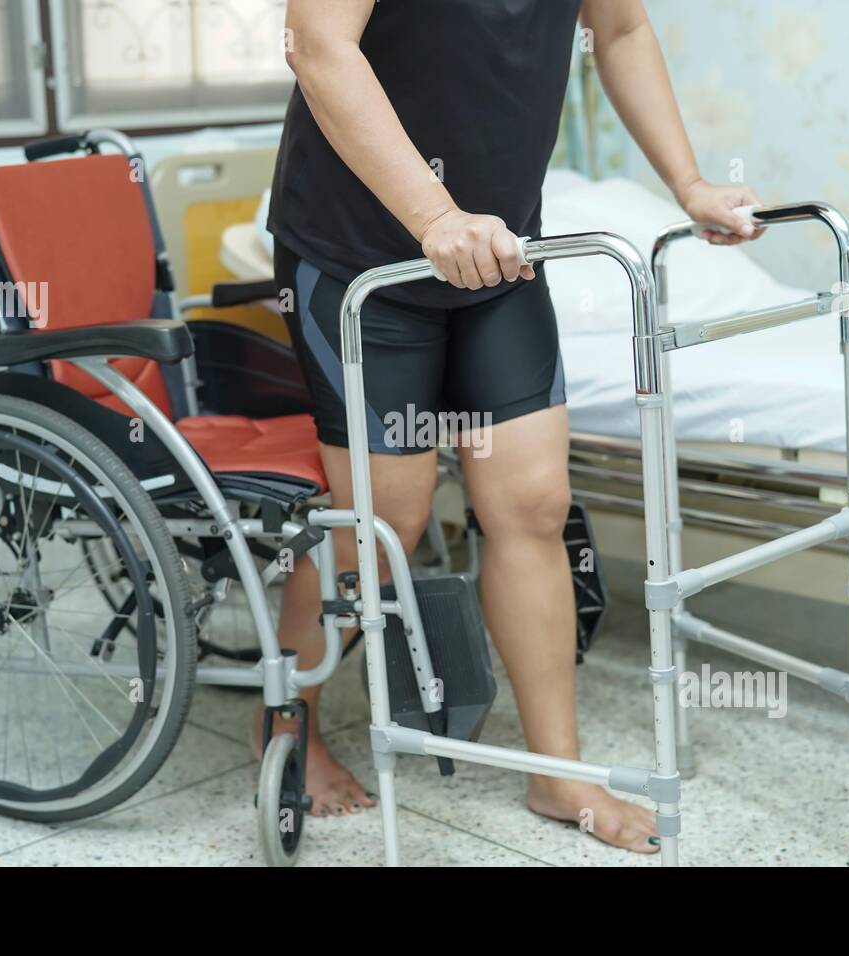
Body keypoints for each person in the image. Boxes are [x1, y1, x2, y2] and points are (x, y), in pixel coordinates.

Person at [261, 0, 762, 853]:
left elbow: (623, 30)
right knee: (381, 526)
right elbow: (316, 46)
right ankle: (285, 725)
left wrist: (688, 182)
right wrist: (433, 216)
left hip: (500, 256)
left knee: (533, 504)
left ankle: (556, 774)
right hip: (358, 254)